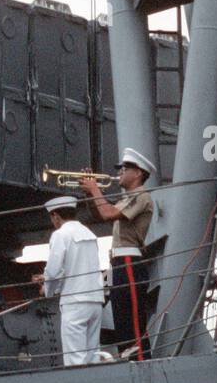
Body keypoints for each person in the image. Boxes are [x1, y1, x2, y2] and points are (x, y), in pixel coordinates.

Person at [82, 148, 155, 360]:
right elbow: (99, 213)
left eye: (126, 168)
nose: (120, 172)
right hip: (118, 262)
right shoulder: (128, 198)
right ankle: (129, 357)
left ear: (138, 173)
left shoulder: (141, 196)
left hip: (129, 261)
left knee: (132, 316)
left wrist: (95, 189)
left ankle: (141, 361)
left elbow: (107, 213)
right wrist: (90, 194)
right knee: (121, 316)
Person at [41, 196, 104, 366]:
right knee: (92, 356)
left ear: (55, 215)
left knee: (74, 358)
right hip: (96, 301)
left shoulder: (60, 234)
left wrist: (48, 290)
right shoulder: (89, 233)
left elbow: (53, 271)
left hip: (75, 302)